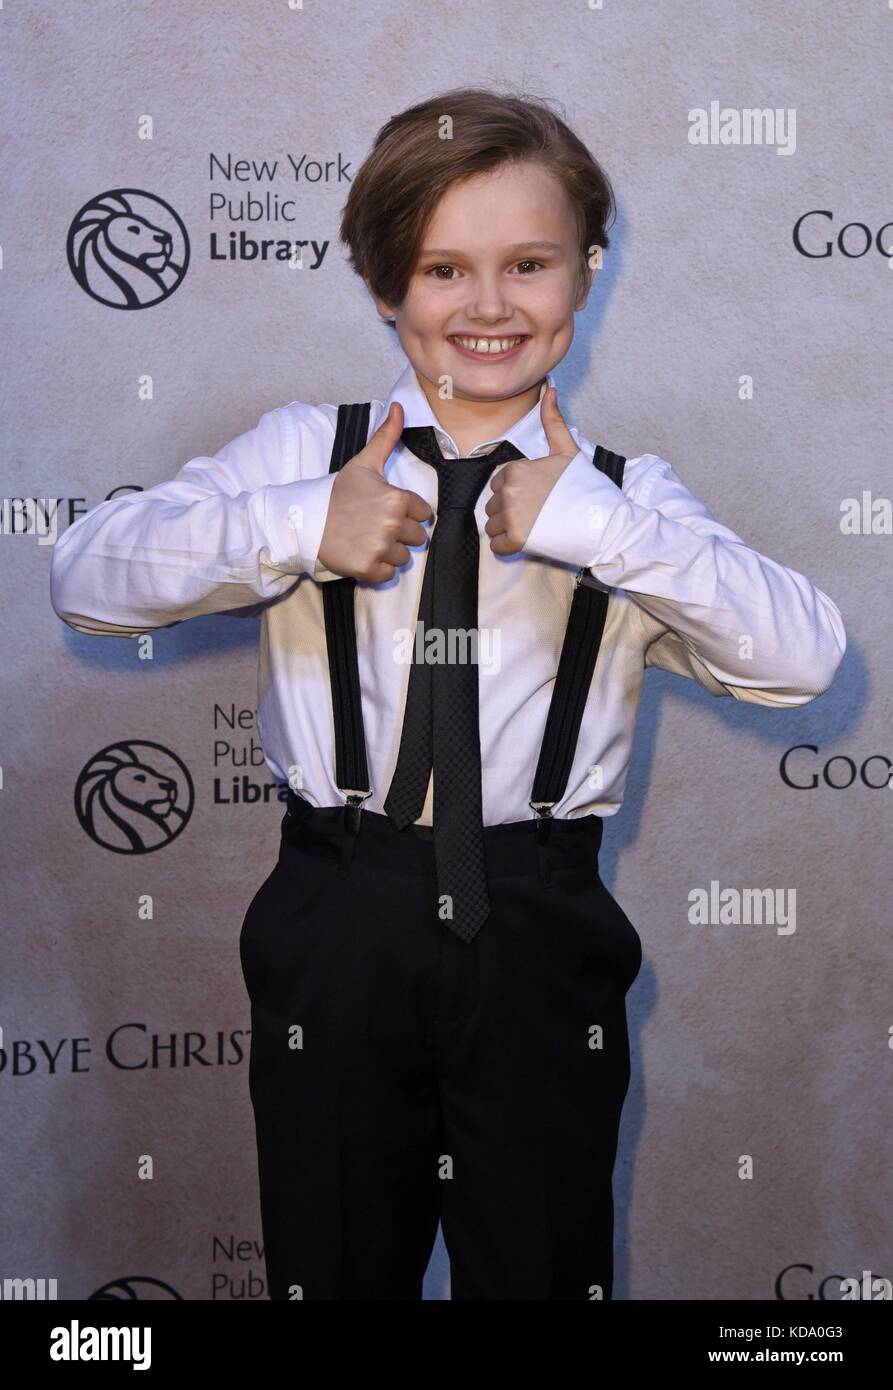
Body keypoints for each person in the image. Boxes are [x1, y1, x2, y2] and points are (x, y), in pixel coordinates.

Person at [50, 87, 847, 1301]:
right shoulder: (300, 452)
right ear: (383, 286)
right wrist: (300, 524)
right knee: (330, 1262)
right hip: (336, 913)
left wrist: (597, 526)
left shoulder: (630, 499)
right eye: (441, 270)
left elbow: (801, 659)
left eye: (527, 264)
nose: (487, 306)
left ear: (583, 275)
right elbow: (84, 576)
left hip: (538, 925)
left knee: (537, 1265)